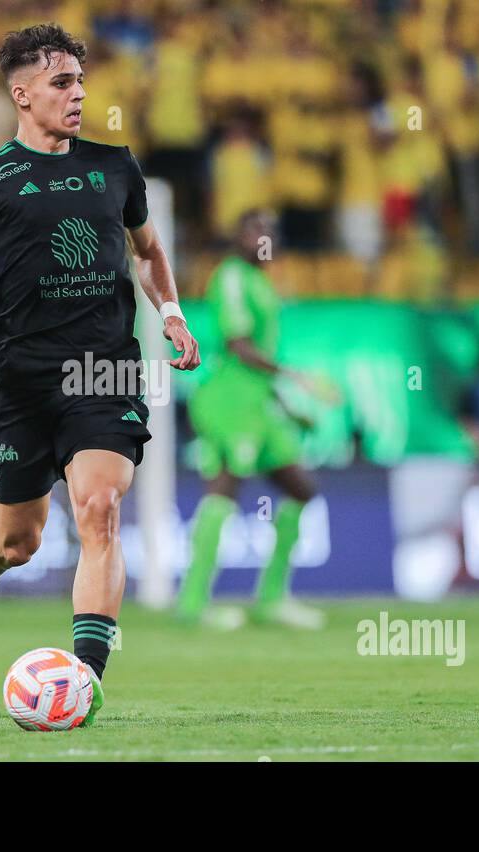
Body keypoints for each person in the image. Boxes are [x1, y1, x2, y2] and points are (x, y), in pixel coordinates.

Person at [0, 24, 200, 726]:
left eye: (80, 81)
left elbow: (148, 251)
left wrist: (171, 314)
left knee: (100, 509)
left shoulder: (116, 168)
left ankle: (84, 677)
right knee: (17, 542)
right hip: (19, 379)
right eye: (61, 83)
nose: (77, 94)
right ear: (22, 94)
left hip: (103, 370)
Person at [178, 209, 324, 631]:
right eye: (255, 230)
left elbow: (255, 357)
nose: (264, 239)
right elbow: (239, 346)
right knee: (225, 488)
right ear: (240, 237)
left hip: (259, 406)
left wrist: (286, 402)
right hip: (230, 404)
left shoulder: (262, 282)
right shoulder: (232, 277)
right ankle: (192, 600)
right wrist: (291, 376)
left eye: (271, 231)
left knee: (302, 489)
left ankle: (272, 599)